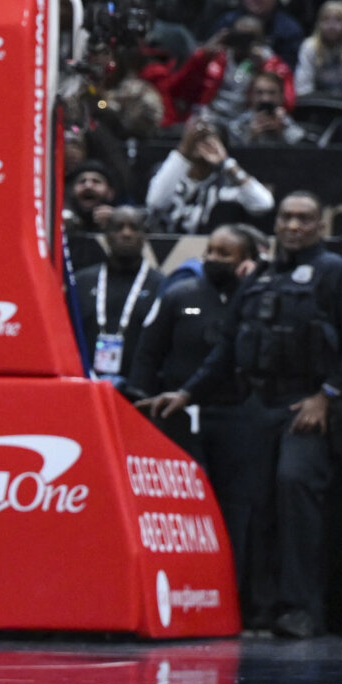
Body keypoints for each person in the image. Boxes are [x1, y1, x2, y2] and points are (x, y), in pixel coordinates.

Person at [144, 192, 342, 639]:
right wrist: (189, 392)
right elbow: (228, 345)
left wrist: (326, 396)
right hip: (258, 406)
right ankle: (260, 608)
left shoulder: (340, 274)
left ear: (319, 225)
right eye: (286, 217)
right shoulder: (261, 277)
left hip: (308, 409)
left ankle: (301, 609)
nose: (293, 226)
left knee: (295, 494)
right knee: (257, 506)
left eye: (304, 218)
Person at [130, 224, 266, 602]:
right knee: (185, 510)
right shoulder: (180, 295)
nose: (213, 260)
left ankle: (231, 597)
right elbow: (147, 354)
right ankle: (184, 591)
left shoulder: (258, 298)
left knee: (237, 509)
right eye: (211, 251)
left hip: (238, 415)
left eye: (226, 254)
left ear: (247, 261)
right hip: (182, 417)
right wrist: (141, 403)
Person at [75, 205, 164, 389]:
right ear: (106, 236)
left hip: (142, 392)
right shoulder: (81, 281)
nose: (126, 234)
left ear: (144, 236)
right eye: (118, 228)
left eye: (134, 228)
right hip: (85, 387)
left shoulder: (162, 286)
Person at [144, 118, 277, 233]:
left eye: (207, 138)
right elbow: (155, 203)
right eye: (195, 137)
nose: (200, 143)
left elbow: (264, 204)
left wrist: (226, 163)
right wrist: (183, 152)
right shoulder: (169, 172)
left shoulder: (228, 181)